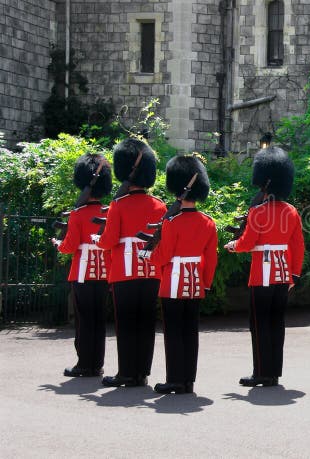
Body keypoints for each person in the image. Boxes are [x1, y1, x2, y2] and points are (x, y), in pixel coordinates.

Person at [224, 143, 304, 387]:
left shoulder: (258, 213)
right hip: (282, 276)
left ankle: (261, 373)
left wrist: (233, 245)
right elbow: (298, 247)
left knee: (259, 325)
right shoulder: (291, 211)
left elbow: (247, 243)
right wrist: (293, 276)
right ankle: (273, 372)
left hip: (262, 276)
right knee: (276, 324)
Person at [96, 138, 166, 387]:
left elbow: (110, 239)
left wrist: (99, 241)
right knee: (146, 323)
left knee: (125, 323)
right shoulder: (160, 205)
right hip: (151, 271)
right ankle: (142, 373)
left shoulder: (118, 204)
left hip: (124, 271)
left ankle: (127, 372)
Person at [144, 155, 217, 395]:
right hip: (195, 284)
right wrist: (205, 284)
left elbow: (163, 256)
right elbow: (211, 259)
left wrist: (146, 256)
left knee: (174, 333)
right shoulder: (208, 222)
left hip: (173, 285)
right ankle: (188, 381)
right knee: (190, 333)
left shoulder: (172, 223)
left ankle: (174, 379)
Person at [52, 153, 113, 378]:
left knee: (85, 322)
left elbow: (69, 247)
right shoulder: (109, 212)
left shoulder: (78, 214)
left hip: (83, 273)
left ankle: (85, 364)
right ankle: (97, 364)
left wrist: (58, 244)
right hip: (105, 273)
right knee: (98, 321)